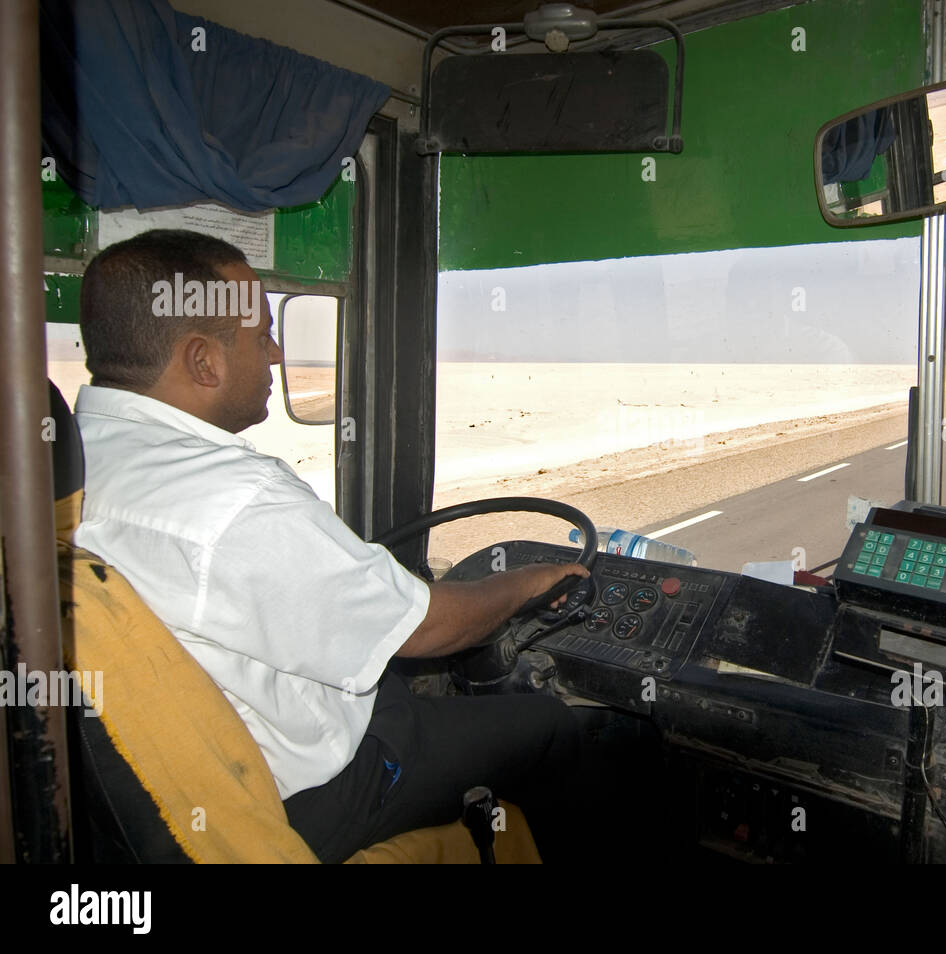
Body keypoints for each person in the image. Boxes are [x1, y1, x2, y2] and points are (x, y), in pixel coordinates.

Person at [72, 229, 589, 862]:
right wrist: (528, 582)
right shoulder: (234, 500)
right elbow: (427, 630)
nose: (275, 351)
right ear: (204, 361)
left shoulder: (65, 467)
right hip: (315, 793)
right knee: (564, 729)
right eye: (261, 334)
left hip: (178, 781)